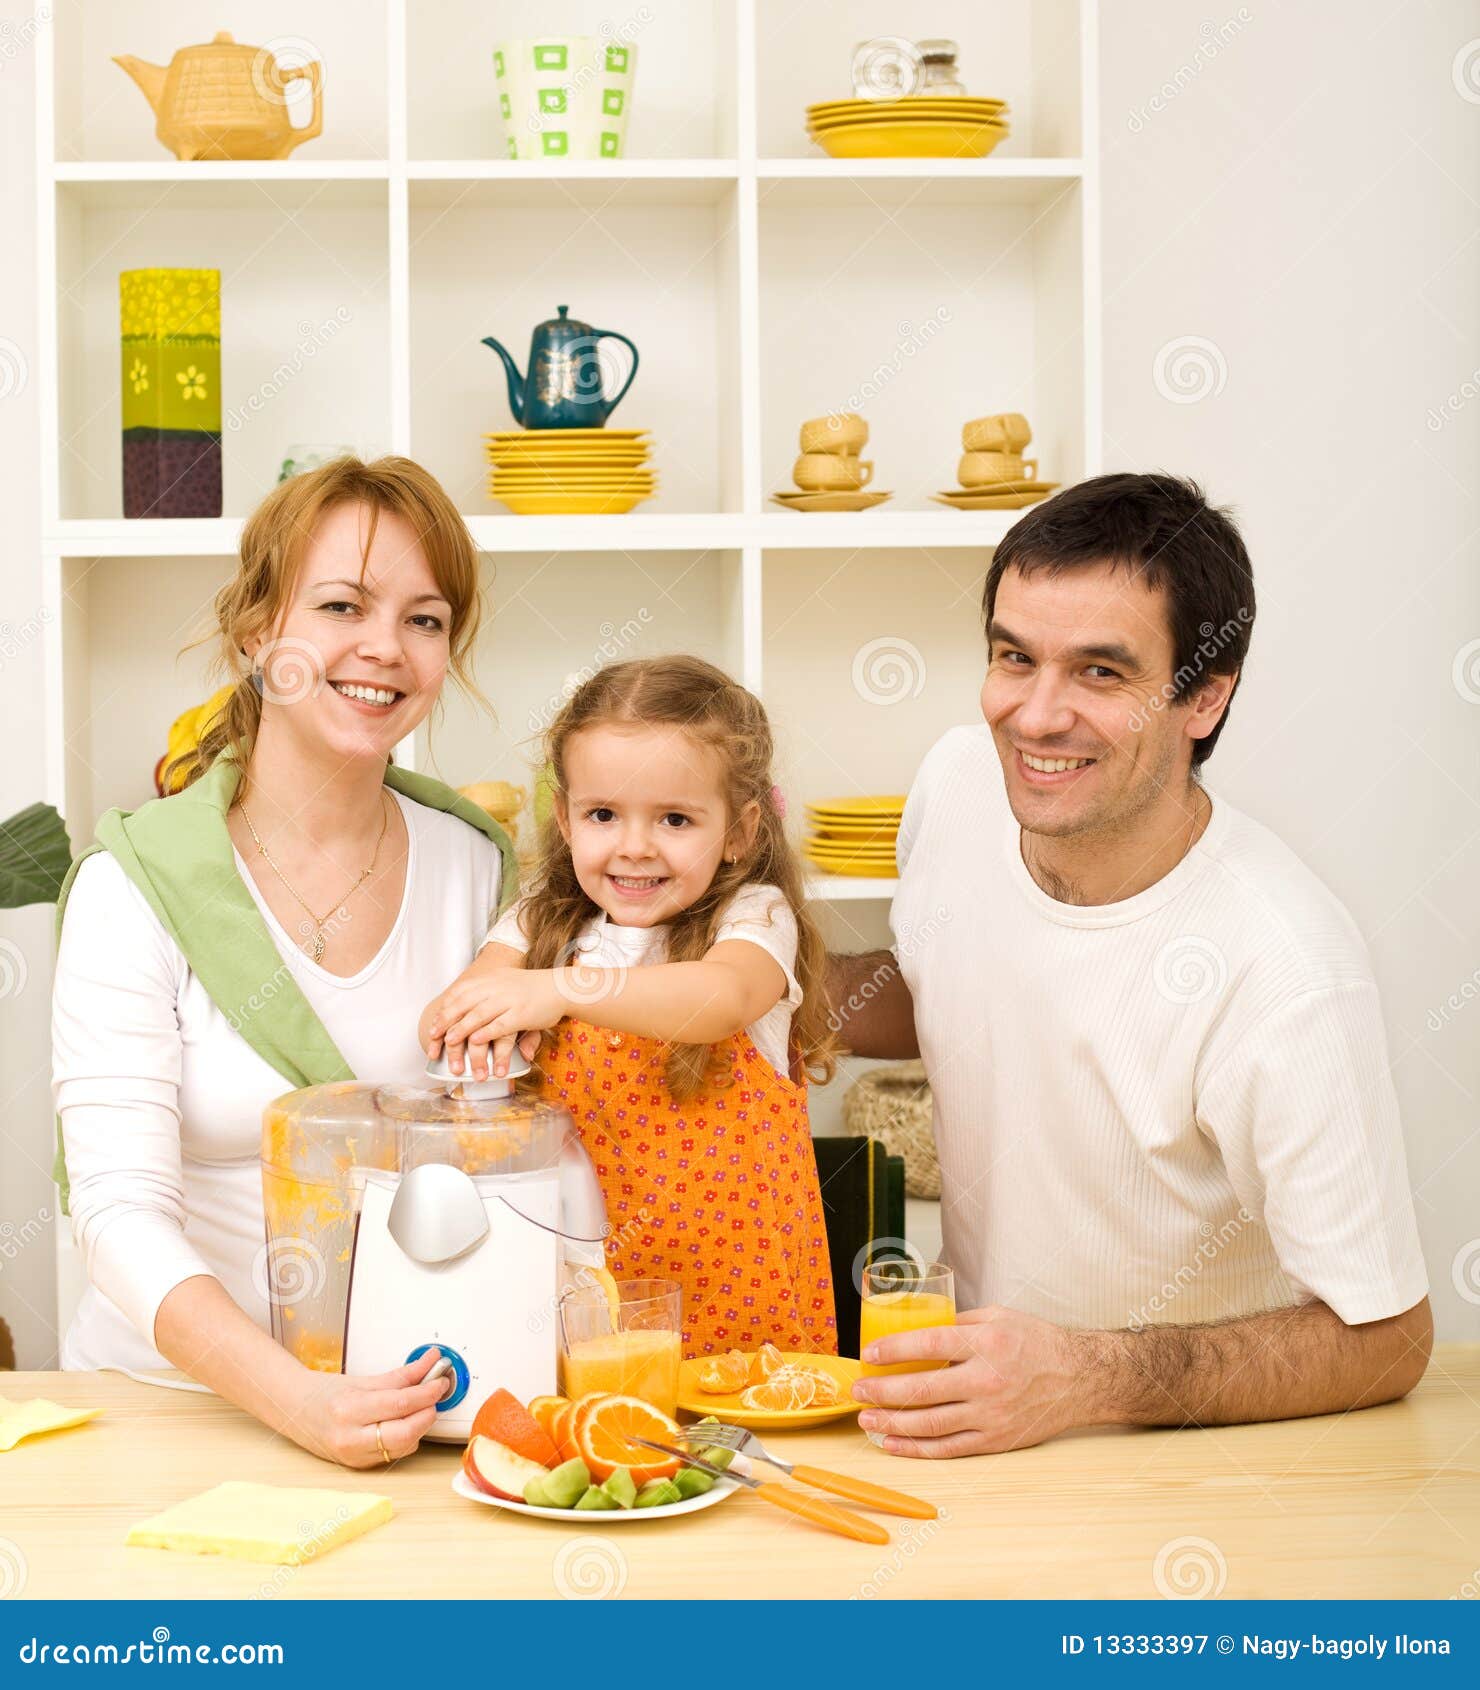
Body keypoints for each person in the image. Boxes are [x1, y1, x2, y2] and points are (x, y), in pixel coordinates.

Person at [830, 473, 1432, 1458]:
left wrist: (1084, 1377)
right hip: (971, 1421)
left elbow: (1386, 1339)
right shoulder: (957, 785)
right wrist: (775, 985)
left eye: (1100, 673)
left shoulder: (1286, 968)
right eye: (1012, 657)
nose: (1034, 715)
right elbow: (966, 981)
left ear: (1204, 696)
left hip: (1181, 1459)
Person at [52, 456, 536, 1470]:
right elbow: (118, 1215)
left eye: (425, 618)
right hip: (167, 1413)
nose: (384, 649)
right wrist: (296, 1401)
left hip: (413, 1412)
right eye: (341, 605)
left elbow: (504, 1155)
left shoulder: (474, 864)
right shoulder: (136, 882)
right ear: (256, 632)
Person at [420, 655, 840, 1356]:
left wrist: (553, 991)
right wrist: (474, 1030)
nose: (635, 847)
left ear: (738, 831)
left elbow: (720, 999)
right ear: (564, 817)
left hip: (743, 1315)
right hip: (583, 1311)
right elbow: (468, 1008)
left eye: (675, 818)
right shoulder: (536, 924)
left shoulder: (753, 918)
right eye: (604, 815)